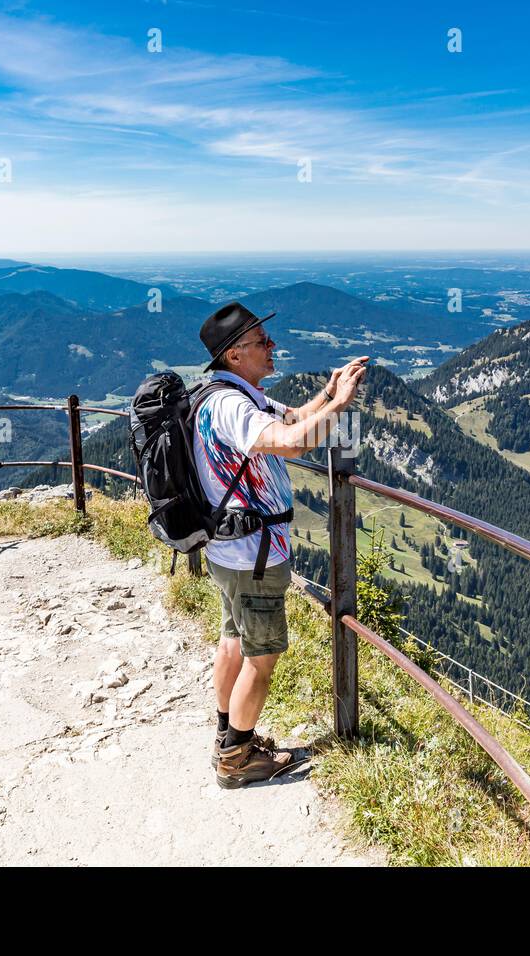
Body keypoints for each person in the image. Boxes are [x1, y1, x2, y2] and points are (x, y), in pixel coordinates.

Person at [193, 301, 368, 788]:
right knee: (262, 656)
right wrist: (340, 405)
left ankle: (231, 735)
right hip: (255, 555)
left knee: (234, 639)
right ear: (233, 354)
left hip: (231, 552)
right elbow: (291, 444)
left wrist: (327, 393)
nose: (272, 347)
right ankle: (237, 760)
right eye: (260, 342)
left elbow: (291, 420)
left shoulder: (231, 393)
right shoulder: (231, 405)